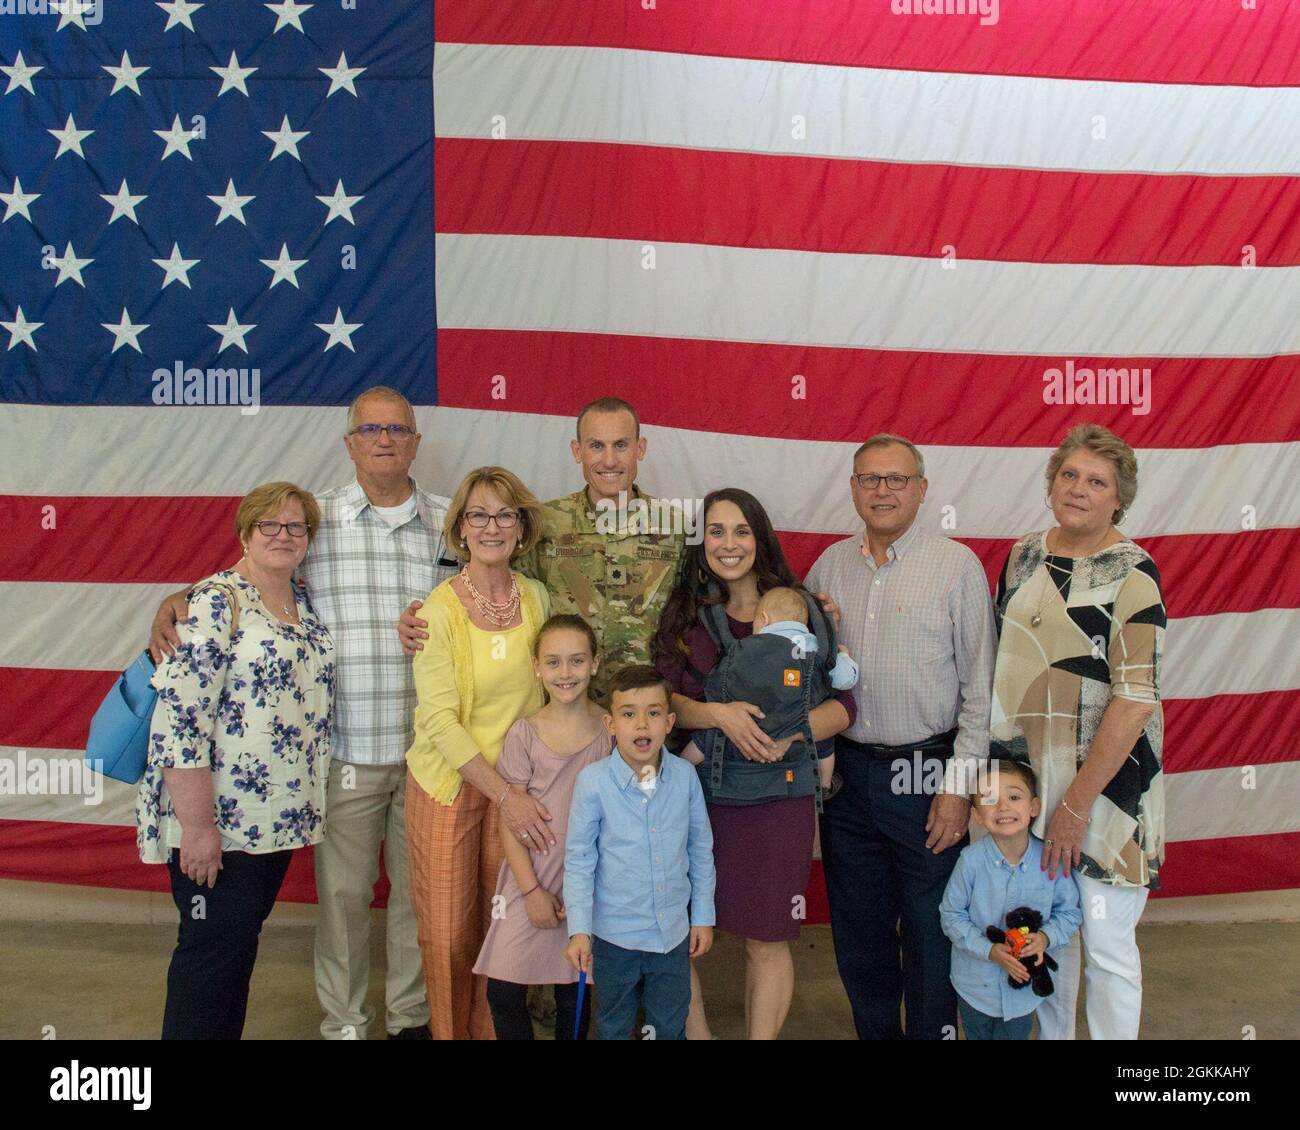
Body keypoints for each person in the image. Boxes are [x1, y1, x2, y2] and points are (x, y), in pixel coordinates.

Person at [148, 386, 456, 1040]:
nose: (384, 439)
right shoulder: (316, 518)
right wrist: (182, 597)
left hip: (432, 750)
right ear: (349, 443)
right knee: (342, 907)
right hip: (342, 753)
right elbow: (246, 578)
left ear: (415, 442)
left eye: (398, 429)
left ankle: (409, 1023)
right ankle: (345, 1026)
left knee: (418, 905)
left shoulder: (450, 522)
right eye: (370, 429)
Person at [805, 433, 997, 1040]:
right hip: (849, 779)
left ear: (921, 489)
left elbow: (980, 691)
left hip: (928, 774)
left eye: (896, 479)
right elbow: (806, 676)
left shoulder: (956, 566)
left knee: (932, 932)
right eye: (869, 479)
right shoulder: (827, 568)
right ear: (854, 488)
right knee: (859, 937)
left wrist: (959, 788)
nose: (882, 491)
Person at [654, 489, 855, 1040]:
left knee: (768, 938)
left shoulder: (805, 608)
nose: (728, 544)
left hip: (779, 801)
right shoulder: (688, 619)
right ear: (702, 544)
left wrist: (785, 733)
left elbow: (843, 704)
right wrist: (719, 715)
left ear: (759, 538)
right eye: (716, 531)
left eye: (741, 531)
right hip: (702, 796)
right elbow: (664, 700)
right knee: (681, 932)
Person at [137, 482, 335, 1040]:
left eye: (296, 527)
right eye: (269, 525)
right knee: (208, 957)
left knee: (232, 952)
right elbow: (179, 719)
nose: (283, 535)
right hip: (215, 823)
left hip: (271, 821)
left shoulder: (303, 601)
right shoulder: (215, 600)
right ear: (245, 534)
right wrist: (199, 828)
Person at [990, 423, 1165, 1040]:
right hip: (1025, 783)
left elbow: (1135, 701)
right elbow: (1001, 671)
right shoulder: (1021, 555)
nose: (1080, 490)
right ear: (1051, 481)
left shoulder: (1135, 573)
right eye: (1069, 475)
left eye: (1098, 482)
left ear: (1120, 498)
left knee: (1109, 947)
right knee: (1042, 937)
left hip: (1104, 791)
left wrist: (1074, 805)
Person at [401, 397, 685, 705]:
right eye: (596, 446)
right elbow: (488, 588)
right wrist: (424, 619)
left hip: (645, 716)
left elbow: (700, 609)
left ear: (640, 448)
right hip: (565, 718)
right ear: (577, 451)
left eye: (621, 445)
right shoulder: (547, 525)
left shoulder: (674, 527)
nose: (609, 460)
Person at [404, 466, 553, 1040]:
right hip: (452, 785)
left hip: (517, 789)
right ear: (460, 528)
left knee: (502, 932)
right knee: (447, 935)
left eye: (505, 514)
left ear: (521, 528)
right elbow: (439, 721)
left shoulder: (536, 597)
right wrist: (505, 795)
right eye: (478, 515)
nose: (492, 526)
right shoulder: (436, 610)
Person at [473, 614, 610, 1040]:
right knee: (504, 990)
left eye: (575, 661)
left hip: (584, 884)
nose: (565, 673)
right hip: (527, 879)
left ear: (595, 663)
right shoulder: (525, 734)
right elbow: (510, 819)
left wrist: (583, 891)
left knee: (574, 987)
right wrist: (531, 891)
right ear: (536, 667)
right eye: (553, 662)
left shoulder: (610, 730)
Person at [563, 665, 715, 1041]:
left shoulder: (684, 777)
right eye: (629, 714)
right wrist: (579, 930)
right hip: (615, 937)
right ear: (610, 724)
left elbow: (700, 850)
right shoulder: (593, 783)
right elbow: (580, 861)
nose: (642, 726)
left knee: (668, 1024)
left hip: (672, 935)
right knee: (614, 1024)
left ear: (670, 722)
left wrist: (703, 917)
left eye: (653, 713)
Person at [939, 758, 1082, 1040]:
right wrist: (988, 950)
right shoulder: (970, 862)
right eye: (990, 800)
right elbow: (951, 914)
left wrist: (1045, 938)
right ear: (977, 815)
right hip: (975, 987)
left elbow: (1069, 912)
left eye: (1014, 797)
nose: (1003, 806)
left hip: (1022, 994)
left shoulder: (1050, 860)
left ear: (1034, 807)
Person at [678, 585, 858, 795]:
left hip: (746, 719)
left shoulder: (744, 646)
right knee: (824, 743)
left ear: (763, 618)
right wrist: (843, 656)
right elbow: (845, 681)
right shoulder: (816, 647)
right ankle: (825, 784)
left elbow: (717, 682)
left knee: (704, 741)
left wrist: (721, 709)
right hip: (795, 726)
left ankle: (680, 770)